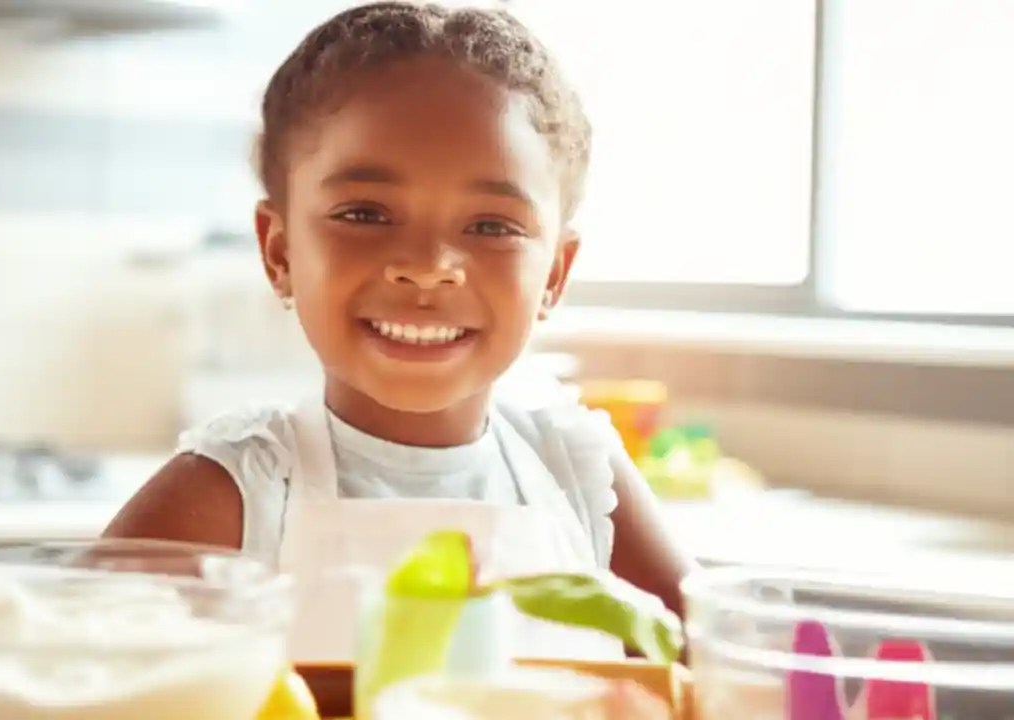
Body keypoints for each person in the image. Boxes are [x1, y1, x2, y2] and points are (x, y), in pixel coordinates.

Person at [106, 1, 693, 662]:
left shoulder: (582, 478)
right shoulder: (226, 497)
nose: (428, 267)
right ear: (279, 252)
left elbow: (714, 673)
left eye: (492, 226)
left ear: (554, 273)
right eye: (365, 213)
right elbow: (71, 680)